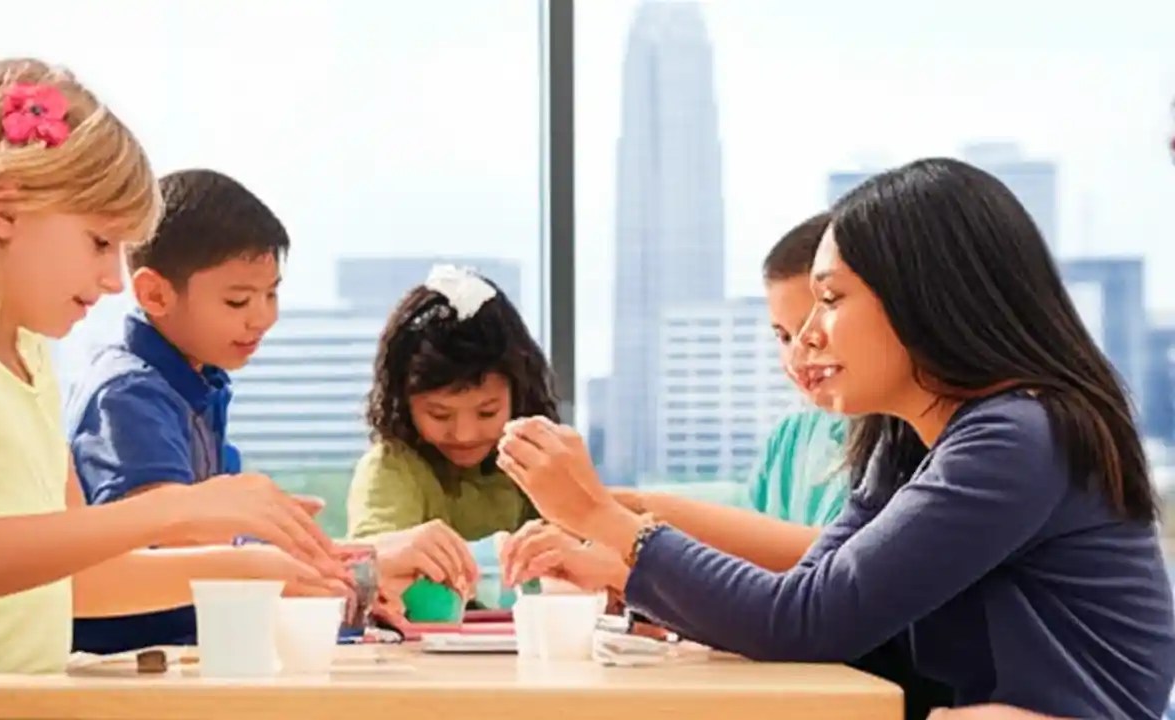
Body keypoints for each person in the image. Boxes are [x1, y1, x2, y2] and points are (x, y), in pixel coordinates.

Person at [499, 158, 1175, 718]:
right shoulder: (910, 440)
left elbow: (804, 618)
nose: (810, 338)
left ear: (925, 296)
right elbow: (810, 588)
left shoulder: (1018, 437)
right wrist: (628, 570)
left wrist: (601, 517)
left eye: (830, 299)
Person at [0, 59, 335, 720]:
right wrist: (181, 508)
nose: (111, 279)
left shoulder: (33, 361)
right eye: (101, 242)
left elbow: (80, 580)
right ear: (4, 209)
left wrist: (253, 569)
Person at [66, 168, 355, 653]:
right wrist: (272, 555)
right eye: (238, 299)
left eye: (271, 293)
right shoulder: (130, 393)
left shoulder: (198, 383)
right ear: (155, 294)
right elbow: (172, 536)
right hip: (129, 664)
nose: (263, 316)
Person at [608, 211, 848, 573]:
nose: (799, 353)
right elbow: (742, 560)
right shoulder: (792, 436)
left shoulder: (904, 443)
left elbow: (830, 565)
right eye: (783, 336)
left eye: (817, 327)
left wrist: (629, 514)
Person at [347, 264, 555, 605]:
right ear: (402, 401)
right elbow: (370, 567)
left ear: (520, 393)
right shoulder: (392, 469)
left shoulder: (537, 458)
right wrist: (391, 555)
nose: (464, 433)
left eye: (487, 411)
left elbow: (585, 555)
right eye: (439, 414)